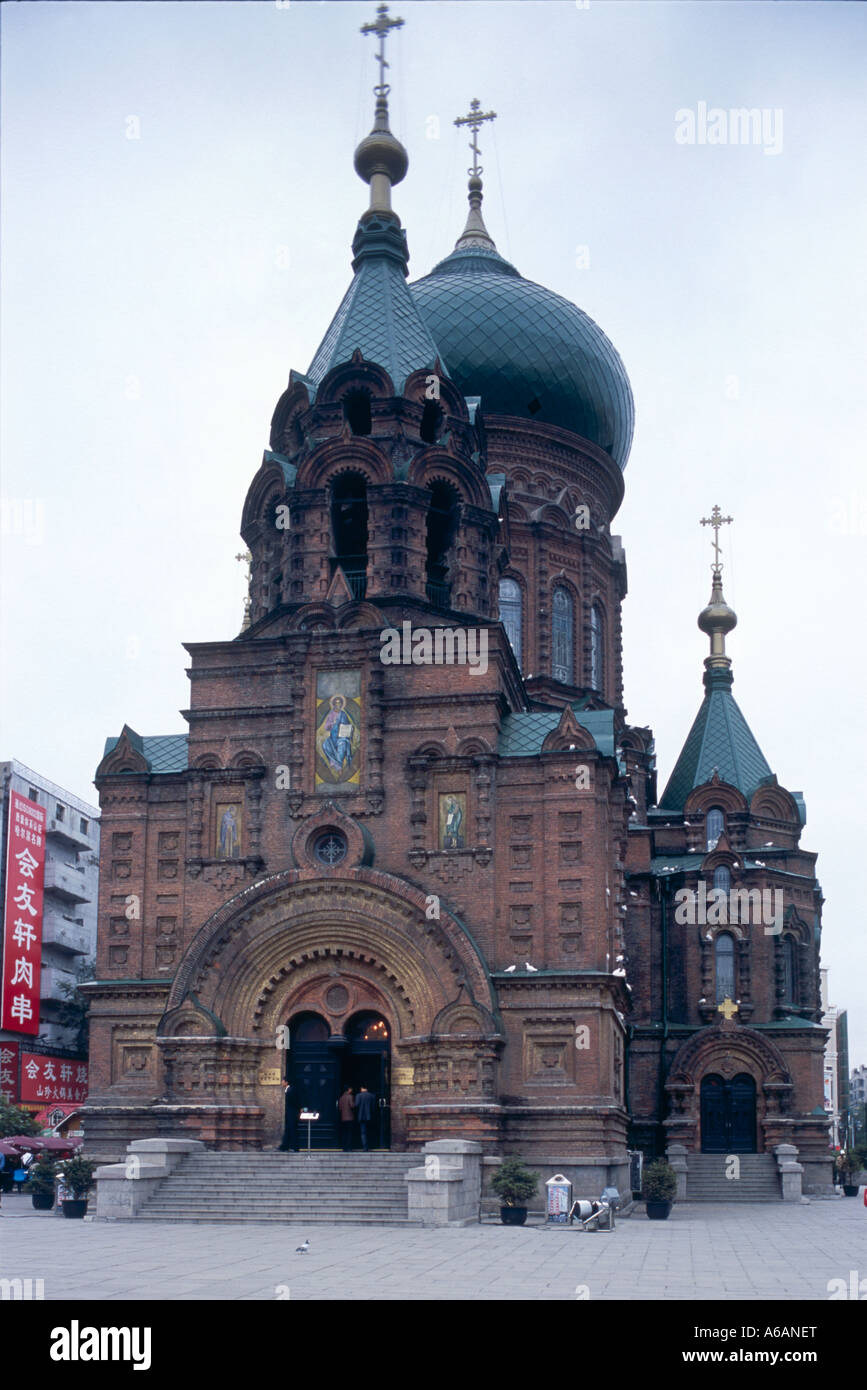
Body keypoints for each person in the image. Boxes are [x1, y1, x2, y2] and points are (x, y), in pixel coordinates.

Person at [278, 1081, 302, 1152]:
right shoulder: (288, 1090)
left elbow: (295, 1101)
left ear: (286, 1082)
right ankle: (284, 1146)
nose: (281, 1083)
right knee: (288, 1130)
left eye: (282, 1081)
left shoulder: (291, 1090)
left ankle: (295, 1147)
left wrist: (299, 1109)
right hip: (289, 1113)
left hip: (292, 1113)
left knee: (293, 1130)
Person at [354, 1085, 376, 1152]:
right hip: (370, 1116)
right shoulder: (372, 1095)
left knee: (363, 1132)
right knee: (370, 1131)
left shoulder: (358, 1095)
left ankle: (365, 1147)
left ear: (362, 1088)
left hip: (361, 1116)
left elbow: (356, 1105)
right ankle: (371, 1145)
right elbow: (373, 1107)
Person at [337, 1086, 355, 1151]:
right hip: (349, 1117)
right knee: (349, 1133)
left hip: (343, 1118)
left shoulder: (341, 1098)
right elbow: (352, 1105)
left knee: (344, 1133)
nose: (352, 1089)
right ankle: (349, 1147)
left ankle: (344, 1147)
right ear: (348, 1089)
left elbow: (339, 1108)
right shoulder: (350, 1097)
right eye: (351, 1088)